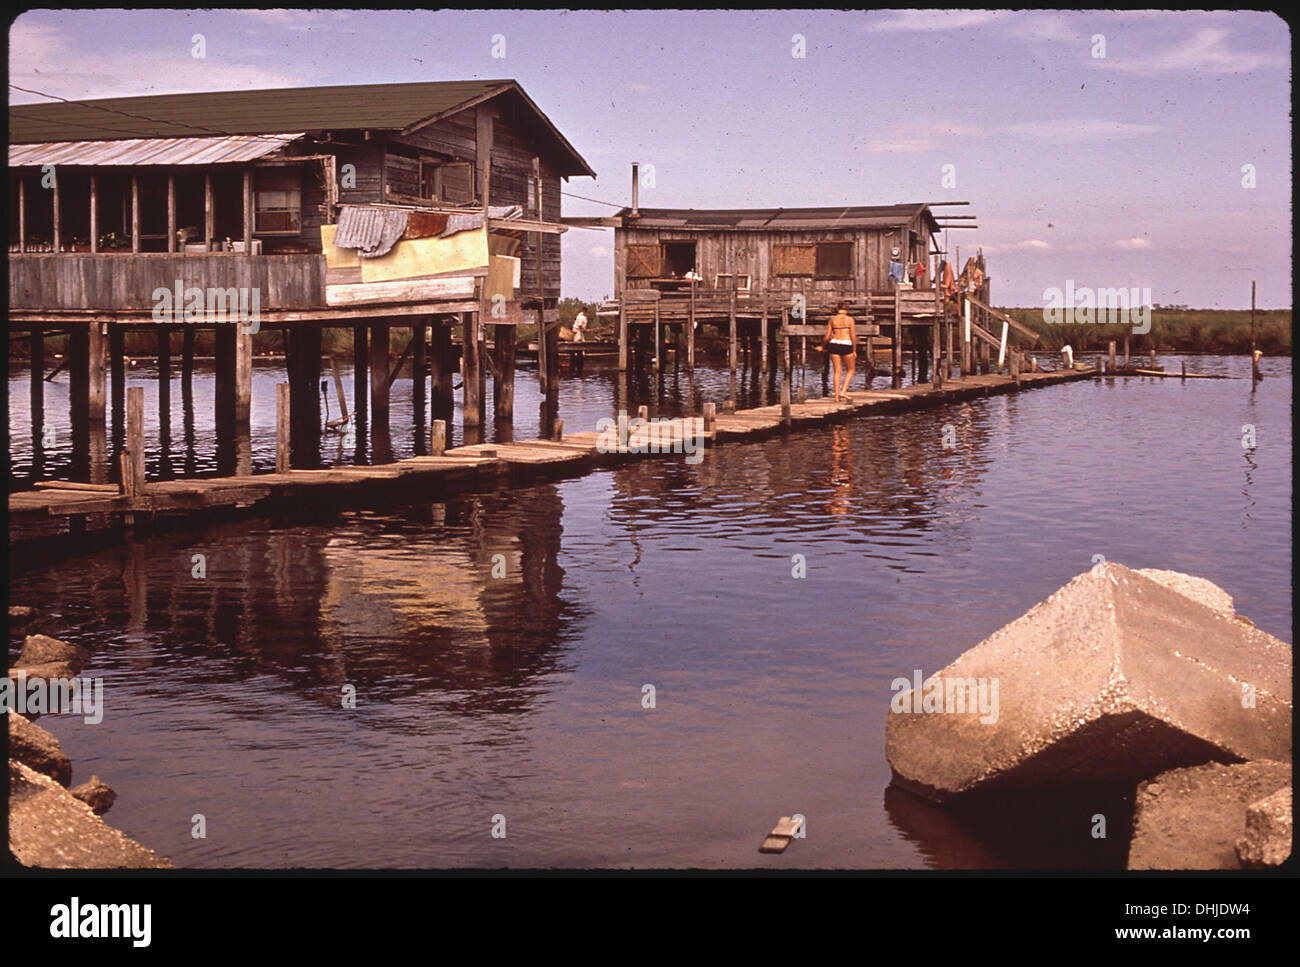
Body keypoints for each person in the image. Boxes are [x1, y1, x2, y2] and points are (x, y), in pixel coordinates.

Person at [821, 301, 856, 402]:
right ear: (847, 309)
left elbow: (827, 336)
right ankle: (843, 392)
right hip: (846, 343)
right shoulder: (850, 320)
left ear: (838, 309)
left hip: (834, 343)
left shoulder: (832, 319)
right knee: (851, 370)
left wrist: (823, 346)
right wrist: (854, 350)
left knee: (837, 371)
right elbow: (853, 336)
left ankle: (836, 397)